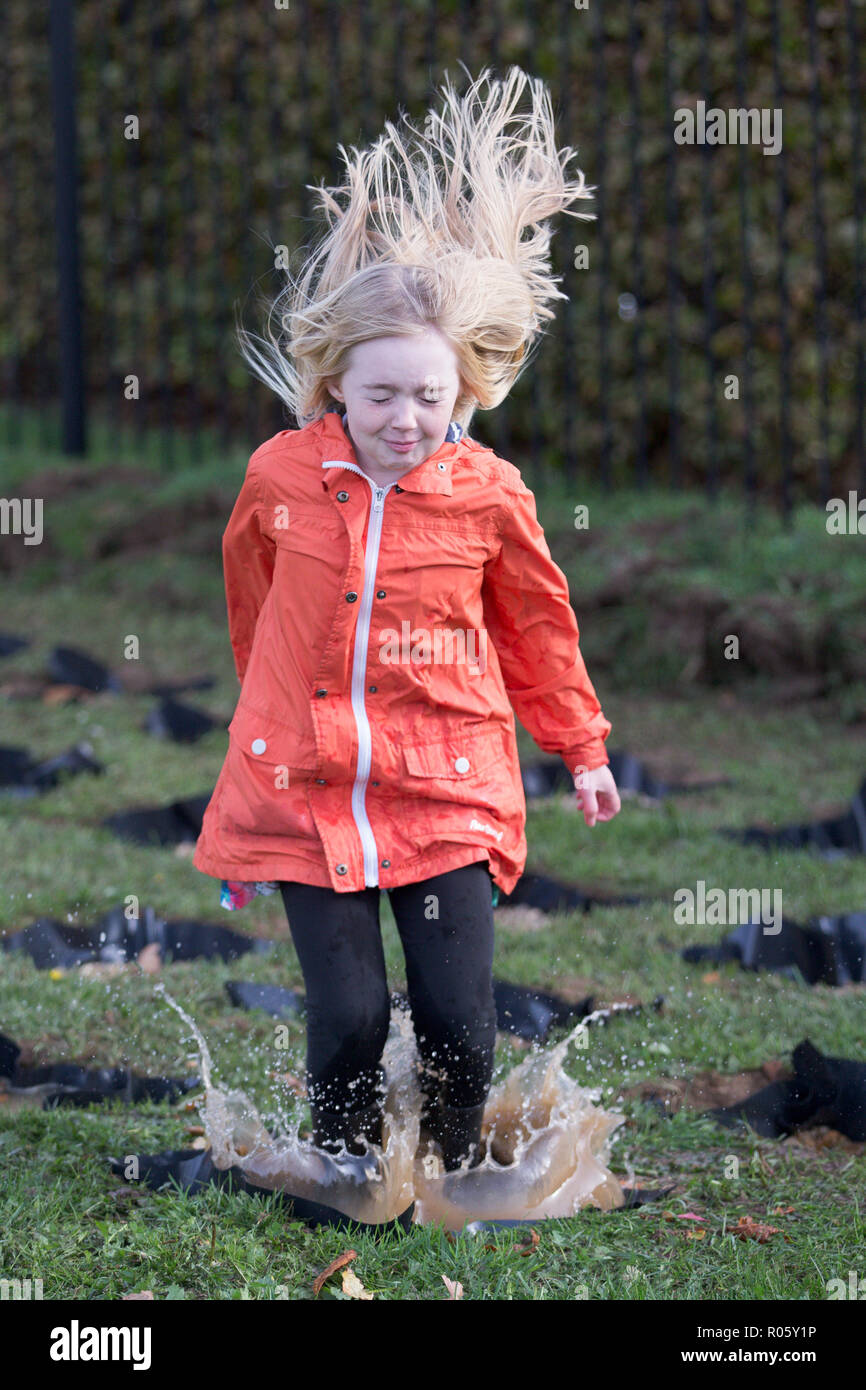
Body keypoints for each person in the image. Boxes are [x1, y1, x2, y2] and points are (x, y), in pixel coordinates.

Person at [193, 65, 621, 1173]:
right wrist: (259, 760)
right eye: (380, 394)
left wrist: (576, 745)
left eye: (429, 396)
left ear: (463, 388)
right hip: (311, 790)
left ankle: (447, 1177)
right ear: (337, 380)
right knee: (345, 1019)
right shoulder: (279, 477)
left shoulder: (487, 491)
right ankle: (343, 1177)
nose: (405, 418)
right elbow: (260, 617)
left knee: (456, 1028)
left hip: (448, 786)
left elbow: (536, 629)